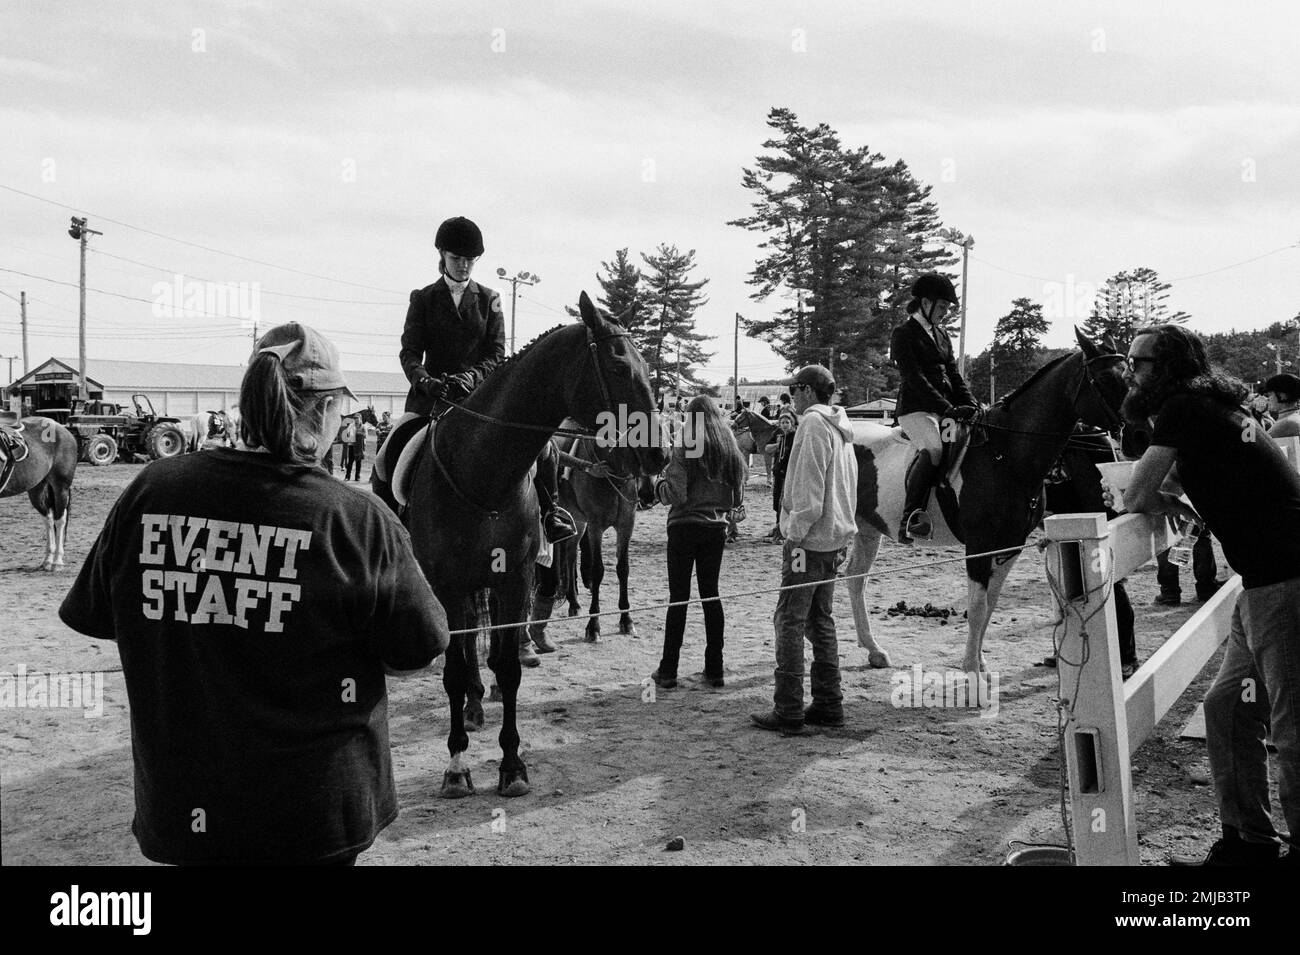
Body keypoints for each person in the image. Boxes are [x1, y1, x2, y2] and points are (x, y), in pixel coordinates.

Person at [58, 322, 449, 865]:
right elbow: (416, 652)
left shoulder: (150, 491)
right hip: (314, 815)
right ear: (327, 408)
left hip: (188, 806)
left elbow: (100, 615)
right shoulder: (356, 519)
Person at [1120, 324, 1300, 866]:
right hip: (1264, 580)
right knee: (1227, 709)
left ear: (1166, 365)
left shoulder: (1181, 407)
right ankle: (1249, 844)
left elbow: (1134, 492)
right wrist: (1171, 494)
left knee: (1293, 733)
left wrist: (1157, 497)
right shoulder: (1211, 407)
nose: (1132, 369)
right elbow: (1185, 478)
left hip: (1285, 582)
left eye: (1140, 360)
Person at [397, 215, 575, 543]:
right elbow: (409, 352)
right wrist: (425, 381)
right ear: (442, 256)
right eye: (457, 259)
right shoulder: (422, 298)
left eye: (470, 260)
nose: (464, 266)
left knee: (544, 449)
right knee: (389, 454)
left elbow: (495, 354)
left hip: (480, 399)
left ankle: (551, 515)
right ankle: (389, 523)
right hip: (432, 399)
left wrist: (471, 376)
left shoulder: (490, 298)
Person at [752, 365, 858, 735]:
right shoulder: (841, 426)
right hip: (834, 538)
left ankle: (788, 708)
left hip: (810, 541)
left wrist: (792, 535)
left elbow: (809, 494)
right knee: (820, 621)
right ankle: (829, 702)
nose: (791, 395)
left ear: (809, 391)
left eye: (795, 388)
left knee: (789, 621)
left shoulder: (813, 425)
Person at [650, 396, 748, 690]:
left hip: (683, 526)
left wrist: (658, 486)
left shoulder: (685, 446)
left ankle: (668, 670)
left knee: (678, 597)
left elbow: (676, 494)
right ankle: (714, 668)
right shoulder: (729, 449)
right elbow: (737, 500)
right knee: (711, 596)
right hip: (715, 528)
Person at [889, 272, 979, 543]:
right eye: (941, 307)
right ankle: (911, 517)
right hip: (915, 409)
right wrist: (947, 407)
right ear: (925, 303)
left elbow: (953, 374)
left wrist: (969, 402)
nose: (944, 313)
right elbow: (914, 379)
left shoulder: (942, 335)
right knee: (935, 448)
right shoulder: (903, 334)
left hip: (943, 409)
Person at [766, 407, 798, 543]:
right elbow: (767, 448)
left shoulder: (795, 436)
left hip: (789, 473)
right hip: (778, 472)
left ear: (791, 423)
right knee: (776, 500)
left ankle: (783, 531)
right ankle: (778, 525)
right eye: (782, 422)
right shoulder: (778, 435)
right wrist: (777, 446)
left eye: (787, 422)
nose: (785, 425)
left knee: (783, 502)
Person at [1263, 372, 1300, 440]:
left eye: (1270, 395)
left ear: (1282, 396)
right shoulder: (1293, 417)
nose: (1268, 398)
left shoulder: (1288, 422)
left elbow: (1260, 444)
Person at [347, 417, 367, 481]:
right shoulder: (351, 426)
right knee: (350, 461)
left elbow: (366, 436)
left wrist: (360, 434)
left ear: (360, 419)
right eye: (355, 420)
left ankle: (357, 477)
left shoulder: (363, 426)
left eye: (358, 420)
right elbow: (347, 434)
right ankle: (347, 476)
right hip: (352, 445)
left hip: (359, 446)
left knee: (358, 462)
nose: (356, 421)